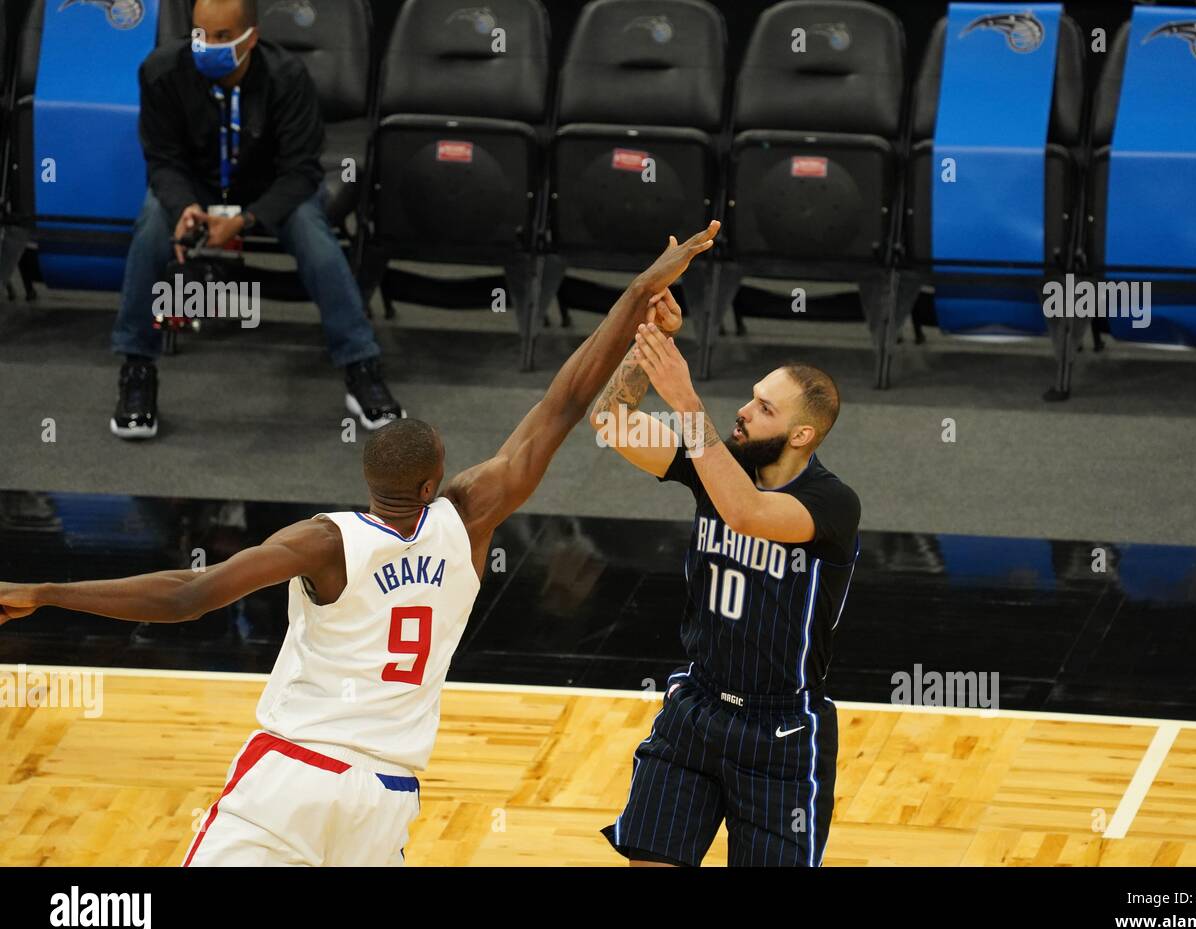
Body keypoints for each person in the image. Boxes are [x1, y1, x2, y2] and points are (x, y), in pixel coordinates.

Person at [0, 221, 721, 866]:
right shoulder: (467, 517)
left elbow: (189, 594)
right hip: (384, 797)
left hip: (290, 778)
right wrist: (634, 299)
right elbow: (561, 404)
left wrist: (46, 591)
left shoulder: (325, 543)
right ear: (437, 477)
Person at [590, 307, 861, 867]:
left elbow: (745, 511)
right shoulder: (720, 460)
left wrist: (687, 401)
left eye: (765, 409)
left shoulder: (833, 504)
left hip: (781, 731)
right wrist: (653, 344)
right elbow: (610, 421)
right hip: (699, 707)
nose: (743, 411)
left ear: (801, 434)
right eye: (751, 396)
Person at [111, 0, 401, 439]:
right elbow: (163, 160)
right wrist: (183, 206)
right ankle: (137, 371)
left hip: (272, 188)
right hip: (198, 187)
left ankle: (361, 366)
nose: (206, 46)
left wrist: (247, 220)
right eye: (199, 34)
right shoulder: (161, 73)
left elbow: (302, 170)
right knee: (153, 223)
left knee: (314, 237)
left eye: (222, 37)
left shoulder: (288, 78)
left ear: (252, 37)